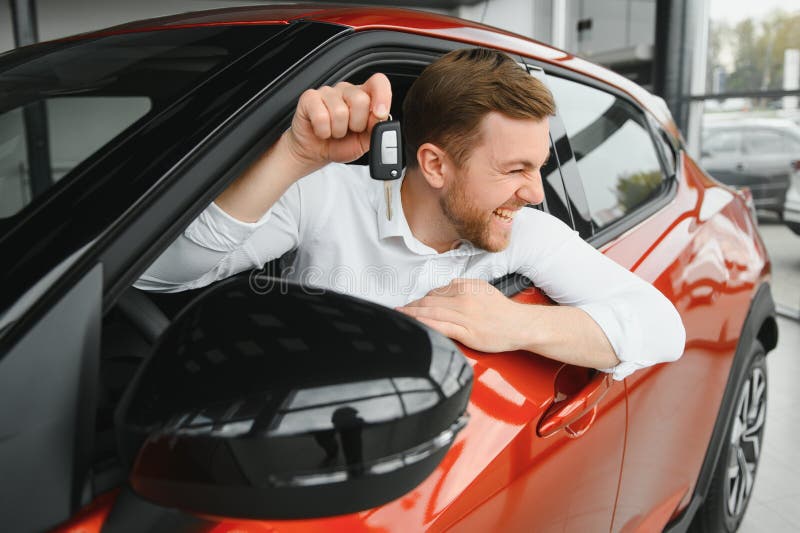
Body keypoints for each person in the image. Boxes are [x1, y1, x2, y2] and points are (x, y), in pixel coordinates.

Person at [137, 48, 685, 380]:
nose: (536, 194)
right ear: (434, 164)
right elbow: (159, 273)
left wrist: (515, 322)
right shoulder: (323, 193)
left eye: (539, 168)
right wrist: (293, 157)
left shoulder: (523, 231)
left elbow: (664, 329)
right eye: (515, 169)